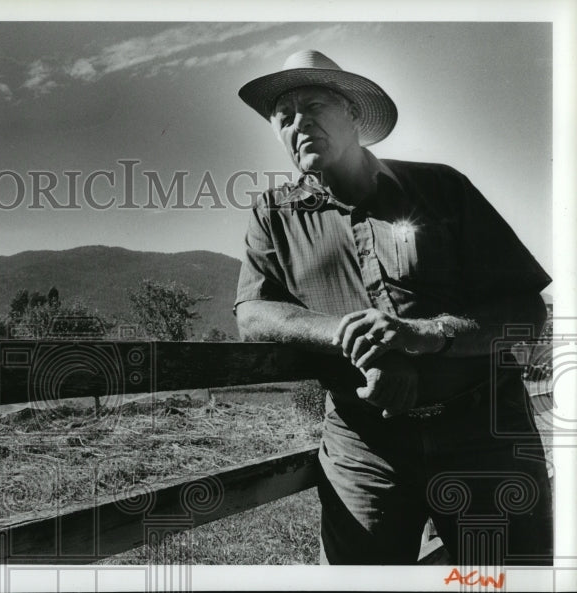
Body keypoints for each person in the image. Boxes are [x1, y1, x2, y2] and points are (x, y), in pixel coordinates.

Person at [234, 49, 554, 565]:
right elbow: (252, 312)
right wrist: (357, 336)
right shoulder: (274, 214)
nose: (299, 122)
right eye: (284, 115)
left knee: (507, 574)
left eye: (314, 104)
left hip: (481, 430)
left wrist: (423, 334)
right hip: (364, 442)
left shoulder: (441, 188)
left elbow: (525, 310)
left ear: (355, 115)